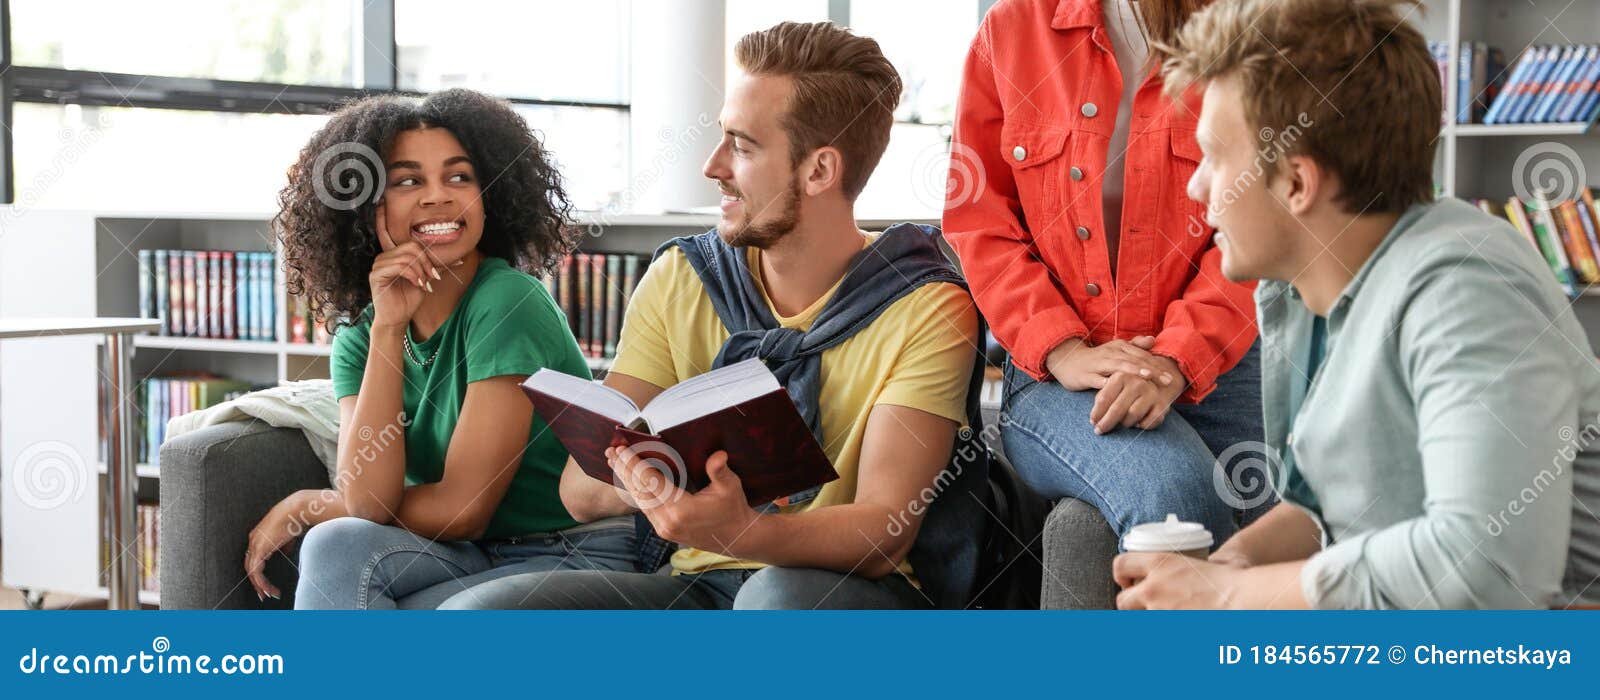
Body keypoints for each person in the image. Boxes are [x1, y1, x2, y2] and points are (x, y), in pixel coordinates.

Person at [441, 21, 980, 610]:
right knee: (481, 615)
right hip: (696, 587)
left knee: (770, 602)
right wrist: (651, 481)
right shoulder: (682, 279)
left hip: (844, 592)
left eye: (742, 146)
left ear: (819, 171)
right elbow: (579, 489)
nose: (712, 165)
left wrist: (741, 531)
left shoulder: (925, 303)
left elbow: (883, 531)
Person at [1113, 0, 1600, 609]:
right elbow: (1329, 512)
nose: (1197, 185)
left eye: (1213, 155)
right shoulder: (1295, 293)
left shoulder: (1467, 288)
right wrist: (1233, 562)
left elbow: (1490, 575)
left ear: (1296, 182)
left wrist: (1228, 595)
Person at [247, 88, 637, 610]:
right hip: (465, 552)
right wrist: (388, 328)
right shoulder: (363, 333)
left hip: (571, 550)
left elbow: (463, 508)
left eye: (460, 176)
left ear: (490, 194)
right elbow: (367, 502)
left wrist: (318, 503)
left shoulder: (507, 301)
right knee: (336, 548)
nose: (439, 197)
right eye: (409, 181)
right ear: (368, 205)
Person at [942, 0, 1266, 585]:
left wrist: (1175, 359)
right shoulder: (1010, 31)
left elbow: (1257, 218)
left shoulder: (1244, 29)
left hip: (1221, 365)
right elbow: (980, 222)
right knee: (1175, 497)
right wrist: (1064, 349)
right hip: (1053, 376)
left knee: (1265, 533)